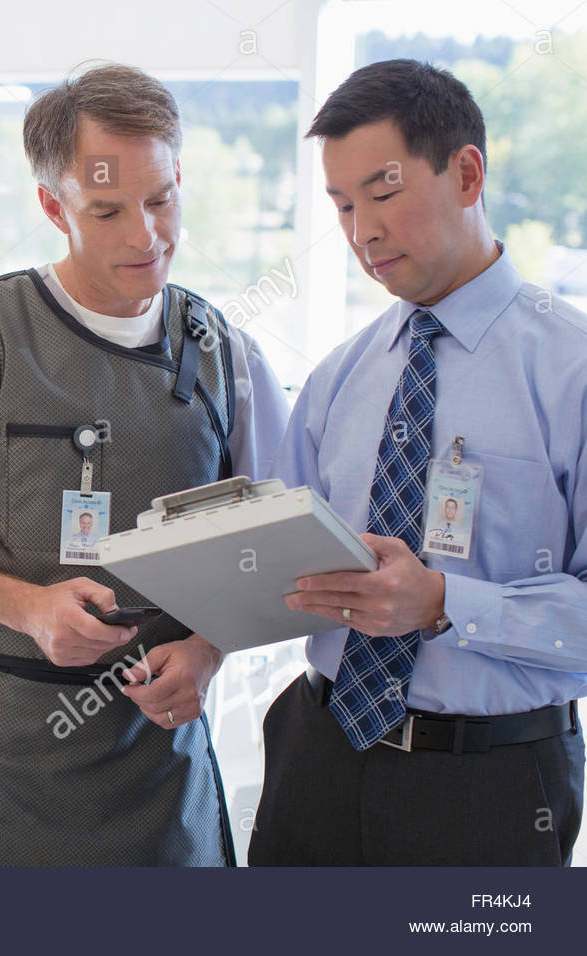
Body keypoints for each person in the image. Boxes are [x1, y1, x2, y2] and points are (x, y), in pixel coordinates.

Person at [0, 62, 290, 866]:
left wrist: (208, 650)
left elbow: (264, 551)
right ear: (54, 206)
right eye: (108, 210)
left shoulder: (226, 353)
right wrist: (25, 607)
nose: (145, 236)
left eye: (161, 200)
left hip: (160, 766)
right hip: (1, 766)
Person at [249, 59, 586, 866]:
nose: (362, 229)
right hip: (315, 758)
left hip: (487, 787)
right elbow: (280, 564)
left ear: (465, 173)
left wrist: (441, 601)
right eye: (341, 206)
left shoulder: (571, 371)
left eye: (384, 191)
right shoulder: (339, 375)